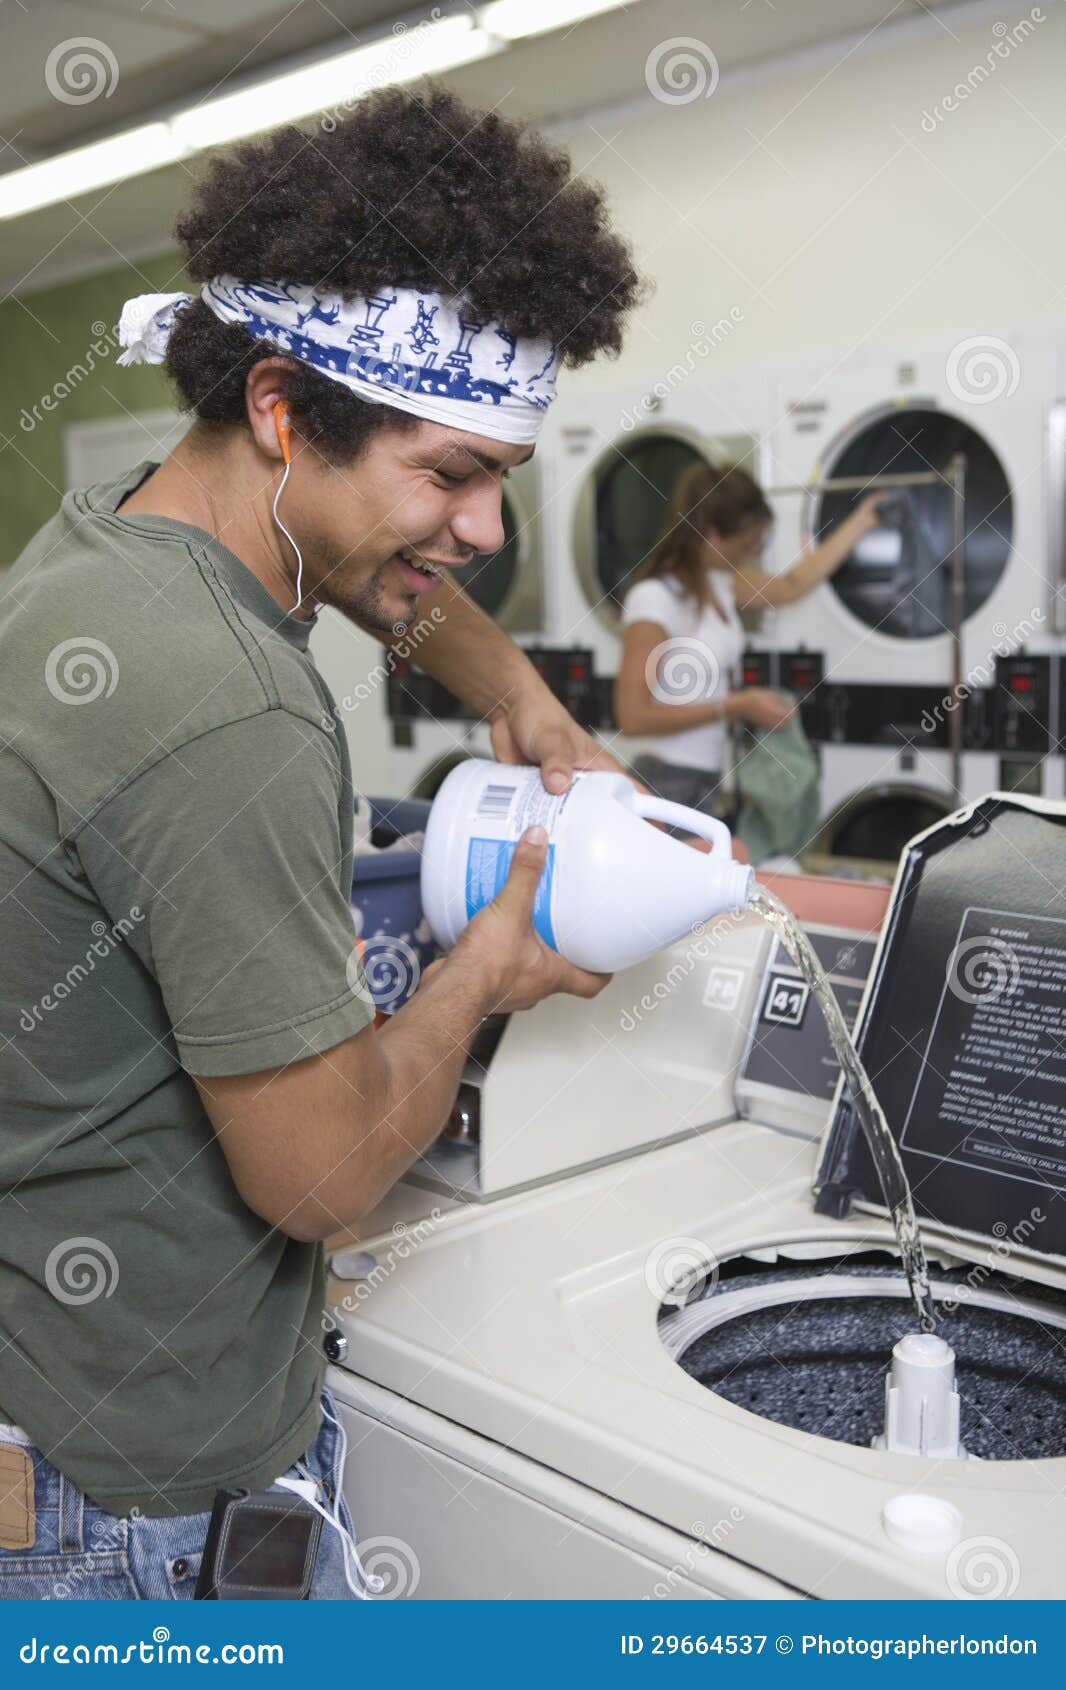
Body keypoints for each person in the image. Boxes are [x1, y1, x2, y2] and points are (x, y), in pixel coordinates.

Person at [0, 86, 644, 1598]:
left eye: (503, 476)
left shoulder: (108, 545)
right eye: (448, 473)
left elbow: (386, 572)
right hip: (142, 1500)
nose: (482, 527)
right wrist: (480, 969)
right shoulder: (230, 709)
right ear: (283, 408)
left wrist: (520, 693)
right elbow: (322, 1182)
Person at [615, 460, 885, 816]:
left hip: (705, 778)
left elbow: (794, 585)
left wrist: (864, 519)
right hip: (664, 780)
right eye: (745, 544)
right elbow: (631, 717)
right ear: (711, 534)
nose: (752, 555)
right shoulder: (656, 599)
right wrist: (735, 706)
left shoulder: (721, 583)